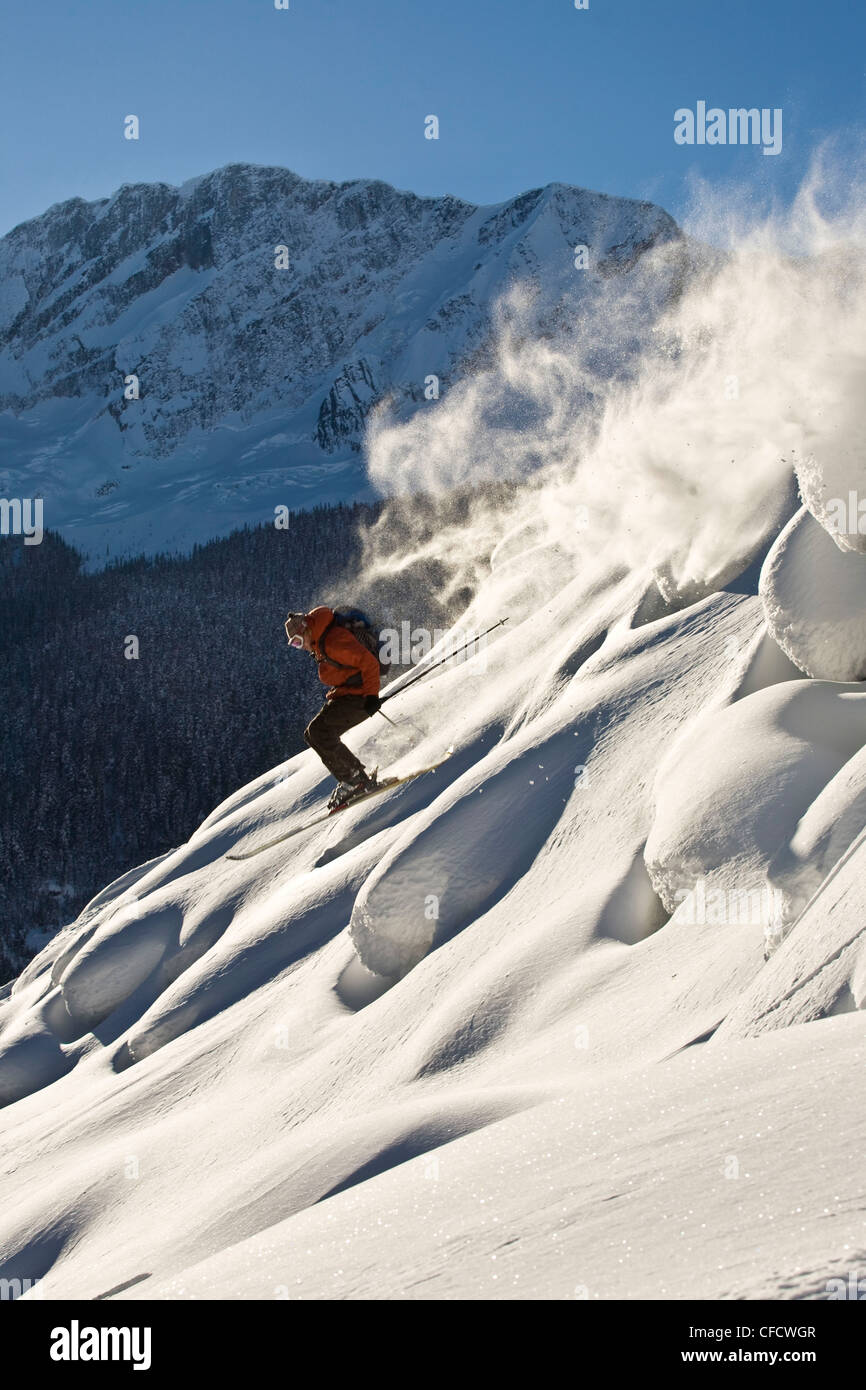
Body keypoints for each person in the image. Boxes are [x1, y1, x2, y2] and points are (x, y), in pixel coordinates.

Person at [285, 606, 383, 809]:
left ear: (306, 631)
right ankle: (353, 779)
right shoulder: (321, 641)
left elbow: (369, 663)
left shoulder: (333, 641)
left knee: (320, 733)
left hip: (361, 698)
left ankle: (356, 780)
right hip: (349, 695)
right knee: (312, 734)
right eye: (294, 644)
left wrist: (372, 696)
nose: (299, 647)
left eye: (297, 641)